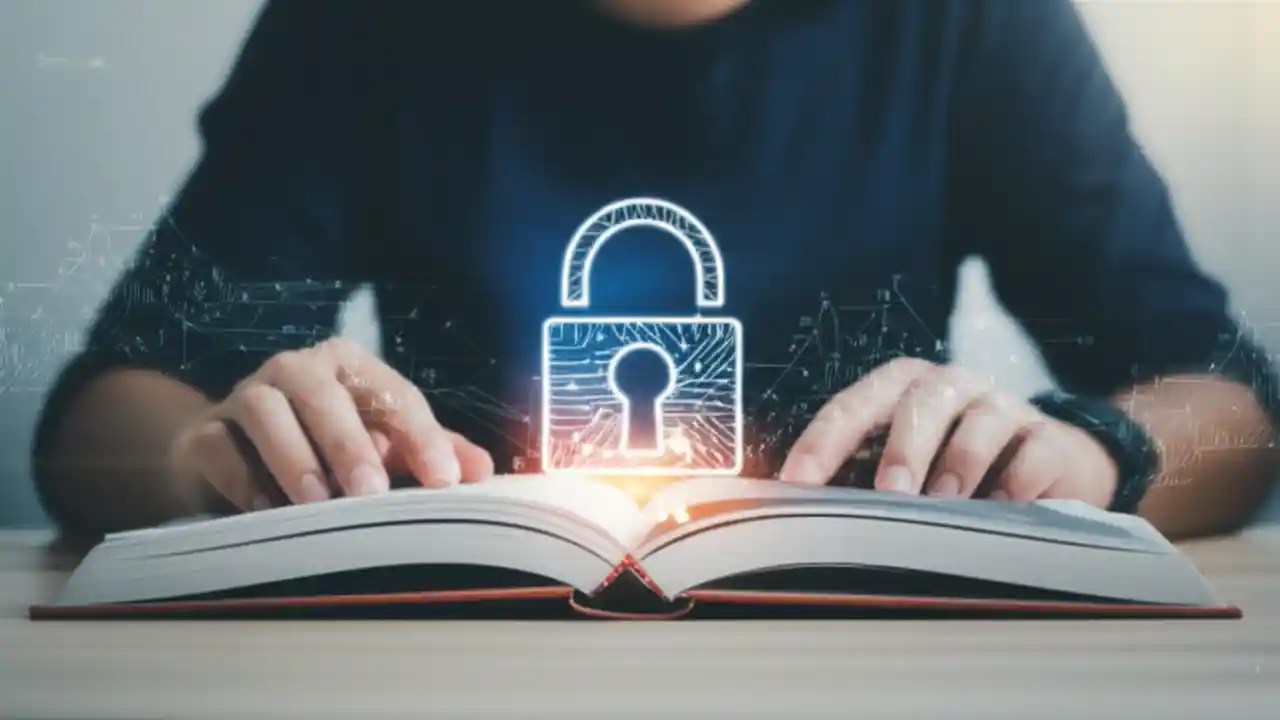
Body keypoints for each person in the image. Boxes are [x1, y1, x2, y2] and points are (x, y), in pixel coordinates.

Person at [33, 0, 1278, 541]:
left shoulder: (969, 19)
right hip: (446, 681)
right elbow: (94, 422)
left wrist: (1092, 454)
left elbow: (1233, 407)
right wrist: (202, 459)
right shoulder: (366, 20)